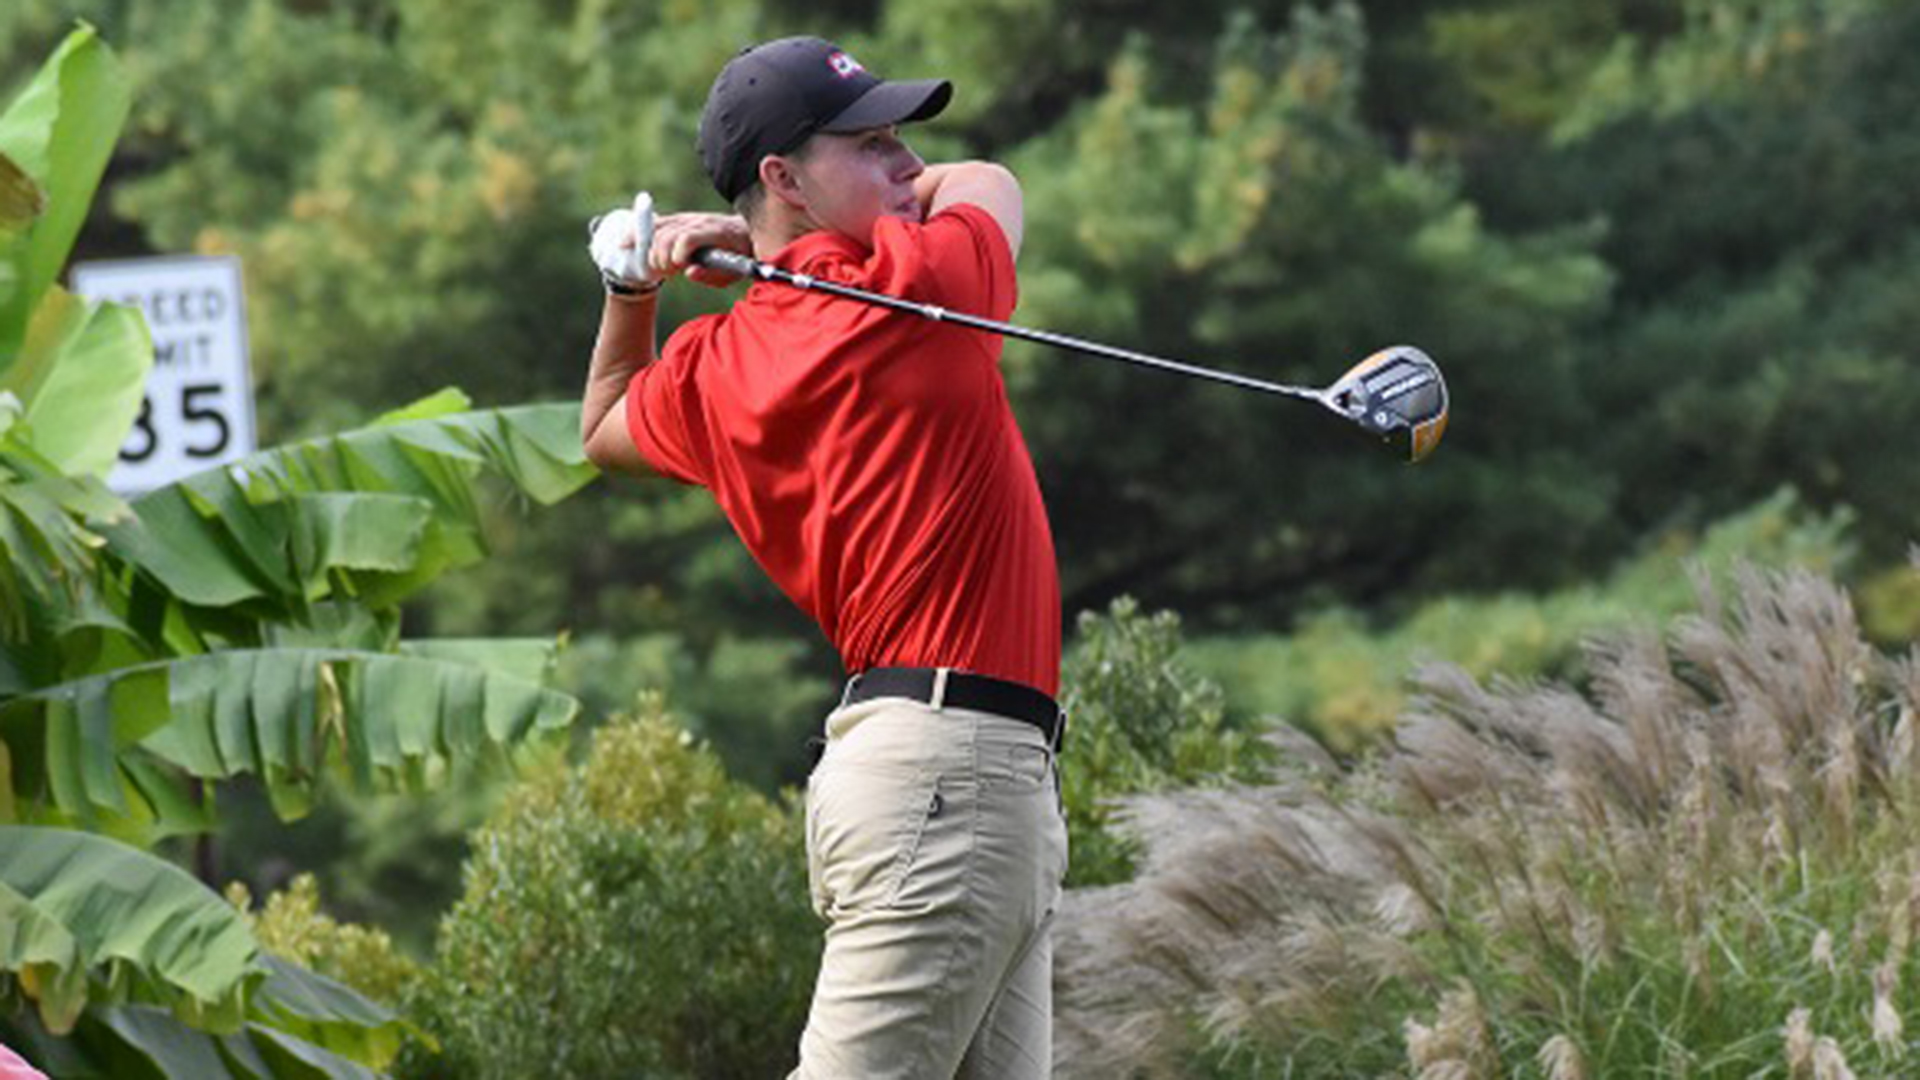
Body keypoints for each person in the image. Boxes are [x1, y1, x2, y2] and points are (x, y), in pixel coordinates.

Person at [579, 35, 1070, 1080]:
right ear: (784, 177)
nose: (907, 164)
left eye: (902, 143)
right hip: (951, 782)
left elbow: (605, 423)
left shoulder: (718, 361)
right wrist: (758, 241)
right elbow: (989, 181)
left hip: (946, 780)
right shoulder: (916, 288)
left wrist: (632, 287)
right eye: (873, 145)